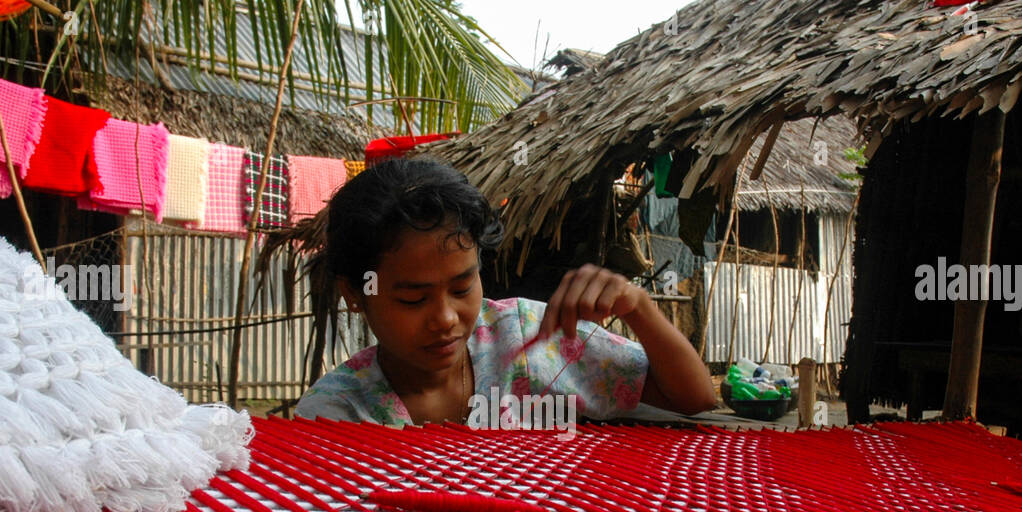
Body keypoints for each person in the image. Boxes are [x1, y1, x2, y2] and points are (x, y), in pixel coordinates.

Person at [293, 157, 715, 427]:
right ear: (356, 292)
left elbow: (694, 397)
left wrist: (637, 306)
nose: (445, 318)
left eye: (462, 287)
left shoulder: (529, 339)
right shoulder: (335, 415)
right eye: (412, 299)